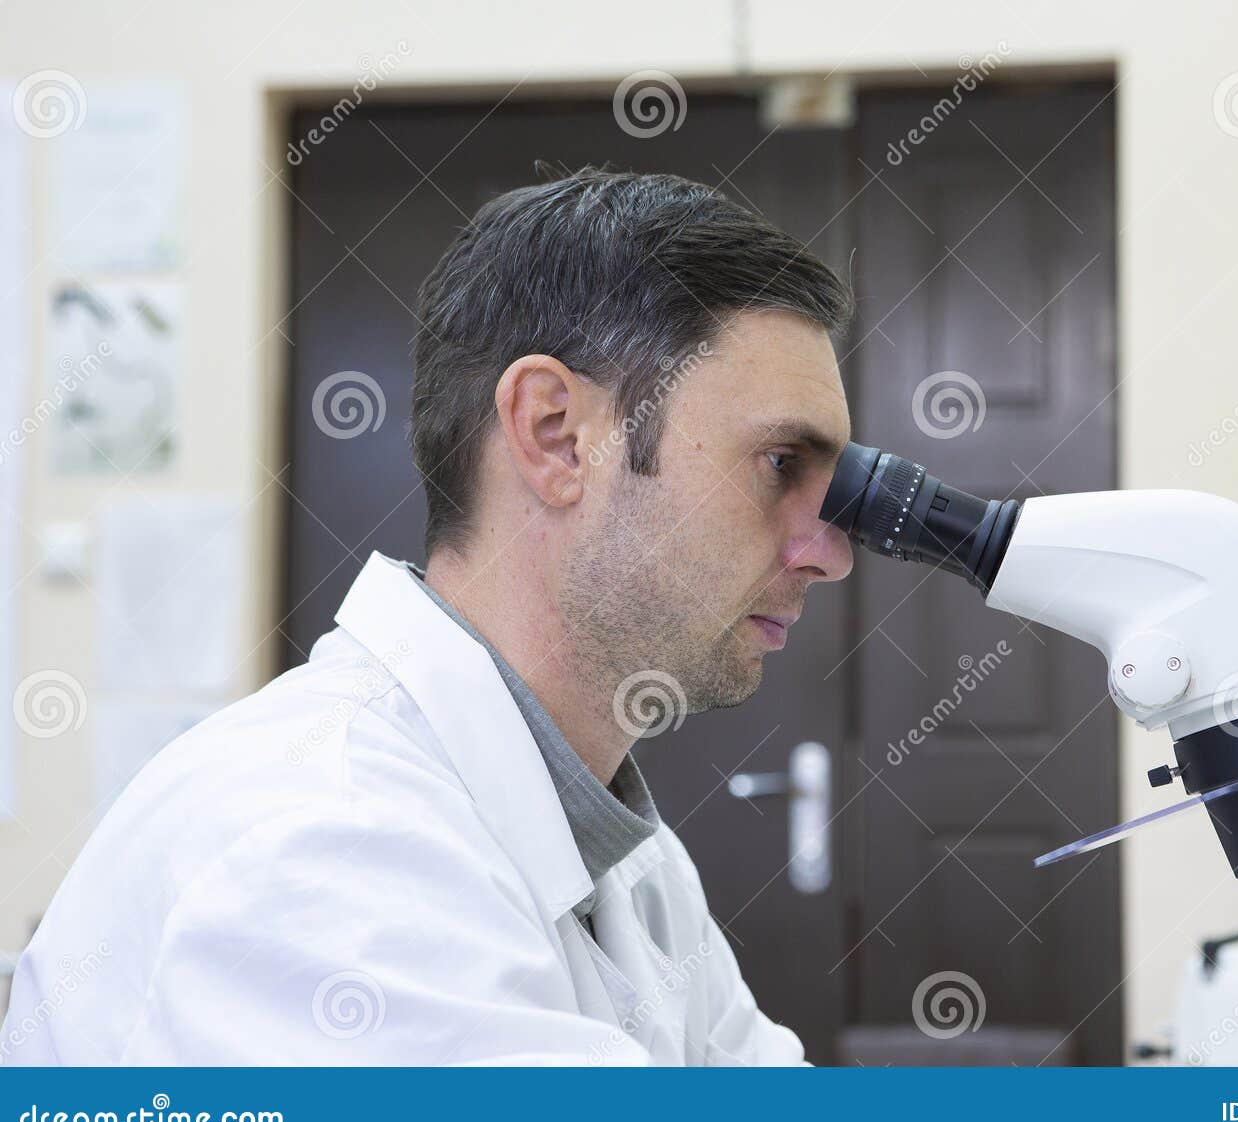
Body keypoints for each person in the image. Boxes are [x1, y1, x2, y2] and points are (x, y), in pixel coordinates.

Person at [1, 167, 856, 1065]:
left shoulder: (632, 867)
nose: (829, 549)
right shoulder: (323, 847)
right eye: (778, 464)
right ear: (557, 433)